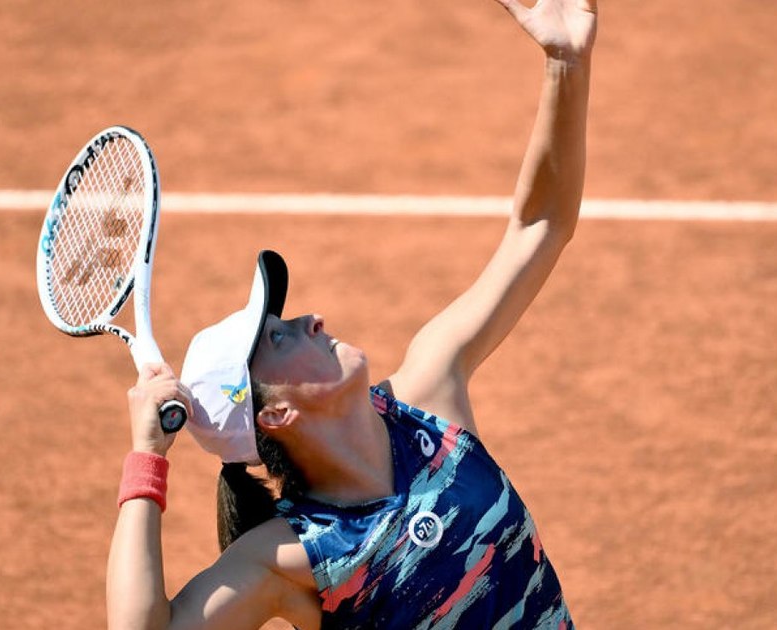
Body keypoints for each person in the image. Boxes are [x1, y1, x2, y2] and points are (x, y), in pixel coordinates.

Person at [107, 0, 597, 627]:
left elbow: (539, 225)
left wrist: (566, 65)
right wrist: (147, 456)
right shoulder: (291, 559)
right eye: (279, 339)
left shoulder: (430, 395)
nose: (310, 318)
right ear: (275, 412)